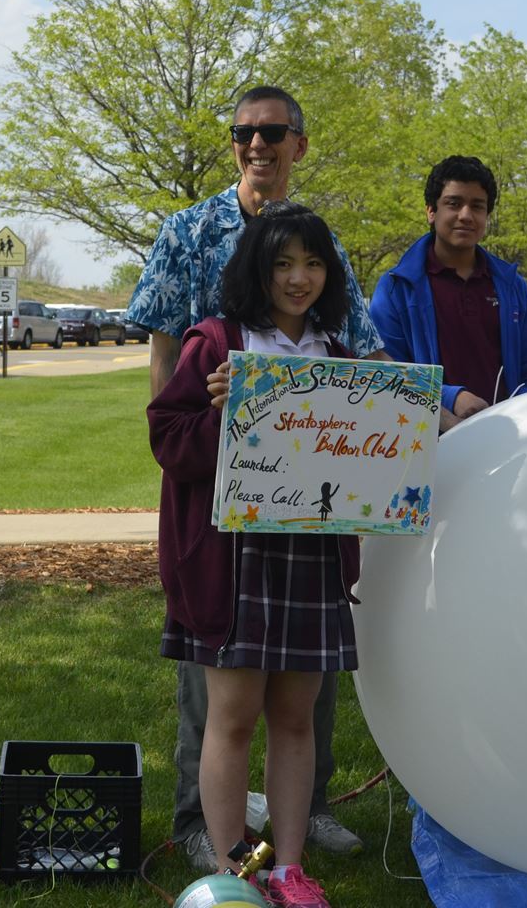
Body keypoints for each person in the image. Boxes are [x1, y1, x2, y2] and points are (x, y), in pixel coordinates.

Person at [126, 86, 379, 872]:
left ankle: (295, 845)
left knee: (300, 705)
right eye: (245, 133)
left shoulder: (325, 291)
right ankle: (211, 832)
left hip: (310, 536)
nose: (258, 144)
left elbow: (368, 379)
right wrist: (202, 418)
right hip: (227, 528)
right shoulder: (191, 238)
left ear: (298, 142)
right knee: (222, 701)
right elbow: (167, 364)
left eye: (273, 132)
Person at [148, 200, 359, 908]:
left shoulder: (337, 354)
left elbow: (364, 457)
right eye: (282, 264)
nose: (299, 278)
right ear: (256, 272)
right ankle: (238, 870)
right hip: (233, 558)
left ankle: (291, 869)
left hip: (311, 555)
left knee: (296, 718)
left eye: (313, 263)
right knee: (231, 715)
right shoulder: (215, 343)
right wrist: (216, 418)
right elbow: (167, 439)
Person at [370, 155, 527, 427]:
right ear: (431, 211)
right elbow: (387, 376)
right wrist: (450, 397)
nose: (466, 215)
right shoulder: (397, 288)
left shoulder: (512, 286)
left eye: (477, 206)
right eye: (454, 204)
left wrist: (515, 415)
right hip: (426, 443)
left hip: (505, 438)